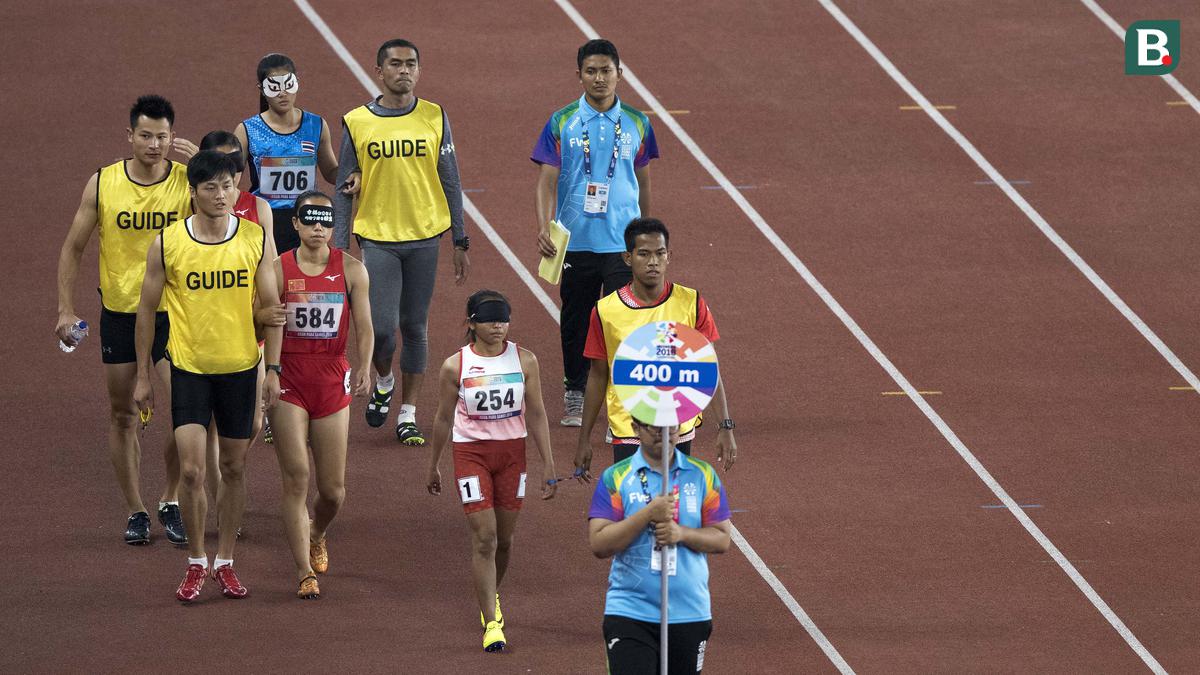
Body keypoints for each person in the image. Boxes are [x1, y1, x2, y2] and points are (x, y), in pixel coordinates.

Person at [133, 150, 282, 602]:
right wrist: (143, 374)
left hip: (241, 370)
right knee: (194, 472)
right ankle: (197, 560)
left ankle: (227, 561)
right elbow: (145, 309)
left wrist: (272, 369)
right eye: (211, 187)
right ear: (194, 192)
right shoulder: (168, 242)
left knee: (233, 467)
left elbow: (272, 311)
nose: (222, 195)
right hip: (190, 371)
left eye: (228, 185)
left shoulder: (254, 238)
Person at [55, 94, 192, 546]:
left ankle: (170, 499)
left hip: (174, 313)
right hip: (120, 313)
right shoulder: (103, 184)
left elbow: (228, 216)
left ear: (174, 137)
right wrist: (65, 309)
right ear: (130, 135)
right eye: (147, 135)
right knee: (121, 415)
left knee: (185, 414)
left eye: (163, 136)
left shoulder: (188, 183)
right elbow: (74, 247)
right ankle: (135, 510)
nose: (155, 144)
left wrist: (206, 163)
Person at [334, 38, 470, 446]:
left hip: (426, 236)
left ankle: (408, 414)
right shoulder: (357, 121)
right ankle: (385, 378)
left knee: (415, 326)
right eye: (395, 64)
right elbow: (343, 186)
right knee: (383, 329)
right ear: (379, 71)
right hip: (378, 237)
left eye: (411, 63)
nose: (404, 70)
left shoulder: (434, 115)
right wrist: (339, 249)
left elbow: (450, 177)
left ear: (419, 70)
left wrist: (460, 238)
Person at [531, 38, 660, 427]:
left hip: (623, 245)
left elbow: (644, 180)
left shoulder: (639, 122)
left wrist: (648, 237)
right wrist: (544, 226)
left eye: (606, 71)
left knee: (623, 323)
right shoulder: (561, 121)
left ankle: (621, 407)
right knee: (576, 319)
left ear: (619, 73)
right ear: (579, 75)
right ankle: (575, 390)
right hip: (575, 241)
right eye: (591, 71)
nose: (599, 78)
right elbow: (546, 181)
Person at [425, 290, 557, 652]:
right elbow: (441, 417)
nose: (498, 326)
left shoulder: (524, 360)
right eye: (489, 319)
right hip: (471, 454)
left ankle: (490, 594)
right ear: (471, 323)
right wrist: (434, 463)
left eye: (503, 319)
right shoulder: (456, 366)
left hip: (512, 455)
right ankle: (492, 621)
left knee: (505, 540)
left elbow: (538, 413)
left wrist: (548, 462)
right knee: (485, 538)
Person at [575, 219, 737, 478]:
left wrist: (725, 426)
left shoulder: (691, 302)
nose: (653, 261)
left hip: (678, 424)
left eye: (660, 253)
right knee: (635, 505)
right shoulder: (606, 311)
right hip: (629, 425)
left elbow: (708, 367)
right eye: (644, 254)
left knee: (673, 506)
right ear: (628, 258)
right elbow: (597, 375)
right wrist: (584, 438)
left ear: (668, 256)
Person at [272, 190, 373, 600]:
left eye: (325, 220)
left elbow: (365, 325)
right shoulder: (277, 269)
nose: (317, 227)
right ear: (294, 223)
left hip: (332, 378)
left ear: (334, 226)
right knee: (297, 478)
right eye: (309, 219)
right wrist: (269, 369)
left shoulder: (351, 270)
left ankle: (317, 532)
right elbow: (261, 319)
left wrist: (365, 365)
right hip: (290, 379)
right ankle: (302, 572)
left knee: (333, 491)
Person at [587, 420, 732, 674]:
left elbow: (722, 539)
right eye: (653, 427)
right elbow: (599, 543)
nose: (663, 434)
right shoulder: (616, 477)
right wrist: (647, 514)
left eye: (671, 428)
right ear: (635, 428)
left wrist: (681, 533)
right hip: (630, 611)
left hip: (689, 612)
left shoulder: (703, 475)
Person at [236, 53, 338, 254]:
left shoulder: (316, 125)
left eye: (288, 84)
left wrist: (359, 169)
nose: (282, 93)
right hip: (265, 219)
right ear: (262, 90)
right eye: (274, 86)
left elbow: (331, 172)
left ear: (297, 83)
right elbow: (231, 178)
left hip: (307, 219)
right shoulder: (247, 130)